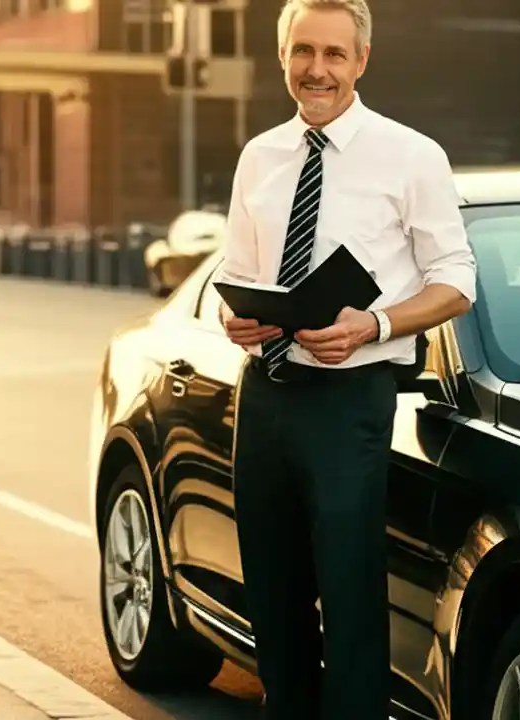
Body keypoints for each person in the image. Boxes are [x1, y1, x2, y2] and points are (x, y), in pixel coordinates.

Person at [213, 0, 476, 717]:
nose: (316, 69)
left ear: (362, 60)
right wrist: (233, 317)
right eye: (303, 51)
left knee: (352, 601)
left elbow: (457, 283)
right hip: (264, 397)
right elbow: (234, 272)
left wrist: (375, 323)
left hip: (349, 403)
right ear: (283, 57)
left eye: (333, 54)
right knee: (273, 595)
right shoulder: (259, 156)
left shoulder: (412, 156)